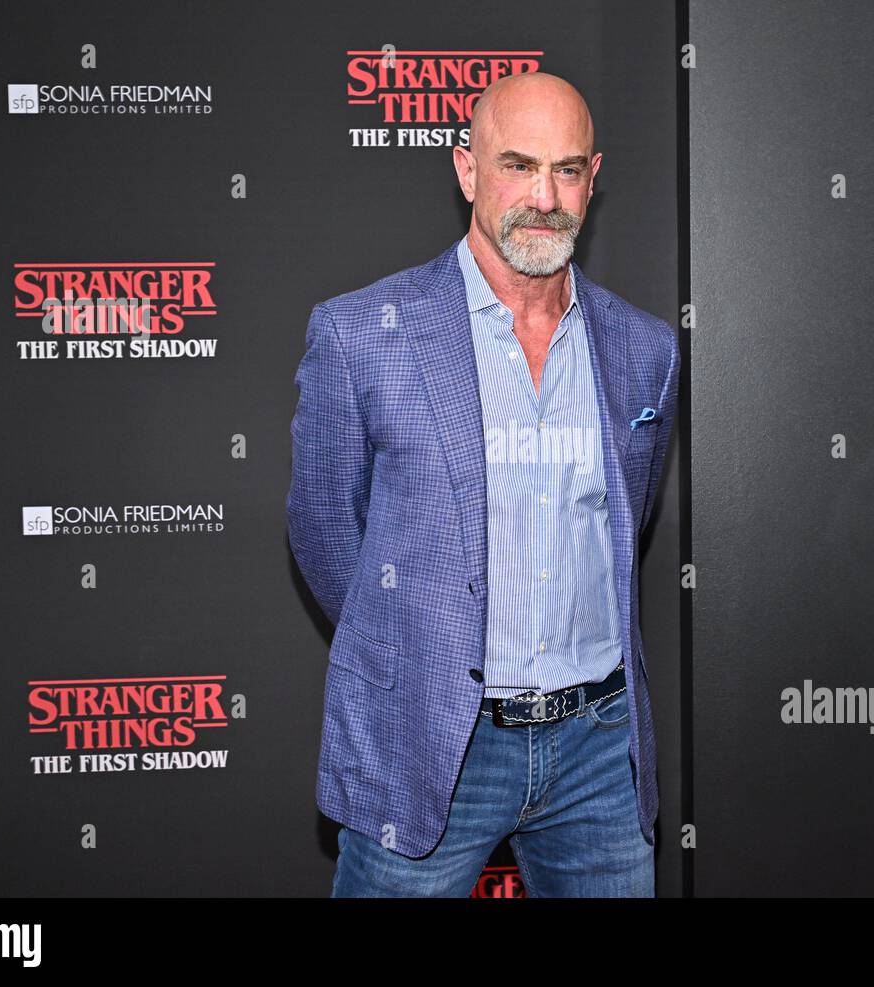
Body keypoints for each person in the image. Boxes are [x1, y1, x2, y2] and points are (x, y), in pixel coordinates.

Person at [287, 71, 679, 897]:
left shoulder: (644, 349)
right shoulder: (362, 335)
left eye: (567, 170)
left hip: (600, 748)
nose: (544, 196)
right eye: (517, 165)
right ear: (467, 170)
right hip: (435, 739)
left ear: (593, 177)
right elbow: (326, 537)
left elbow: (624, 522)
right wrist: (412, 649)